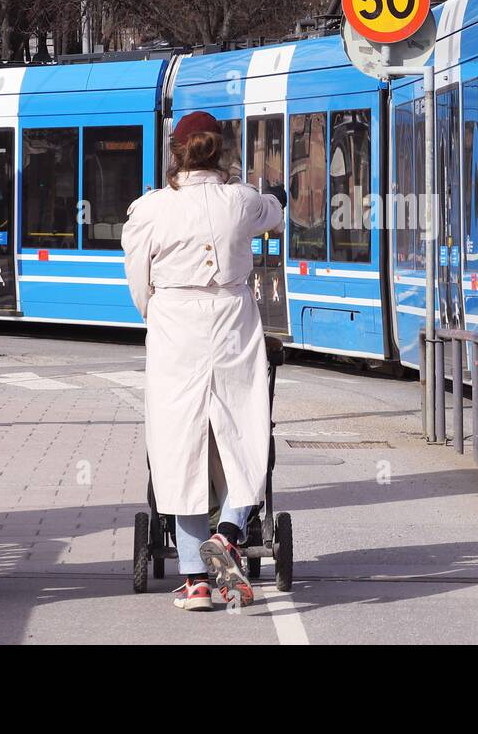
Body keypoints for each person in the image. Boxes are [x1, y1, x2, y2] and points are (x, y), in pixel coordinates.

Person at [122, 111, 285, 612]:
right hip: (233, 319)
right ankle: (231, 532)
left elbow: (137, 280)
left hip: (175, 324)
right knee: (245, 432)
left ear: (176, 153)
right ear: (222, 151)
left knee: (180, 447)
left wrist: (163, 315)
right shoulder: (240, 201)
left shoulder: (150, 209)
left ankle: (194, 581)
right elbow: (275, 213)